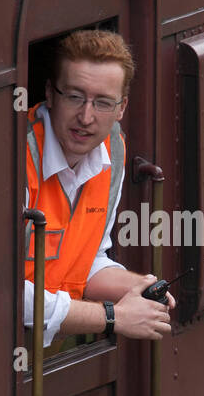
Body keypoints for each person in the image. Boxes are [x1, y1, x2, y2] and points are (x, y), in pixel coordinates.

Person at [24, 29, 174, 346]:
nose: (86, 116)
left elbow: (88, 261)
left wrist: (138, 288)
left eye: (103, 103)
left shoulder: (113, 150)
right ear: (50, 94)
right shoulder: (17, 157)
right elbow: (3, 295)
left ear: (121, 108)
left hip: (46, 348)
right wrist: (114, 317)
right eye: (75, 97)